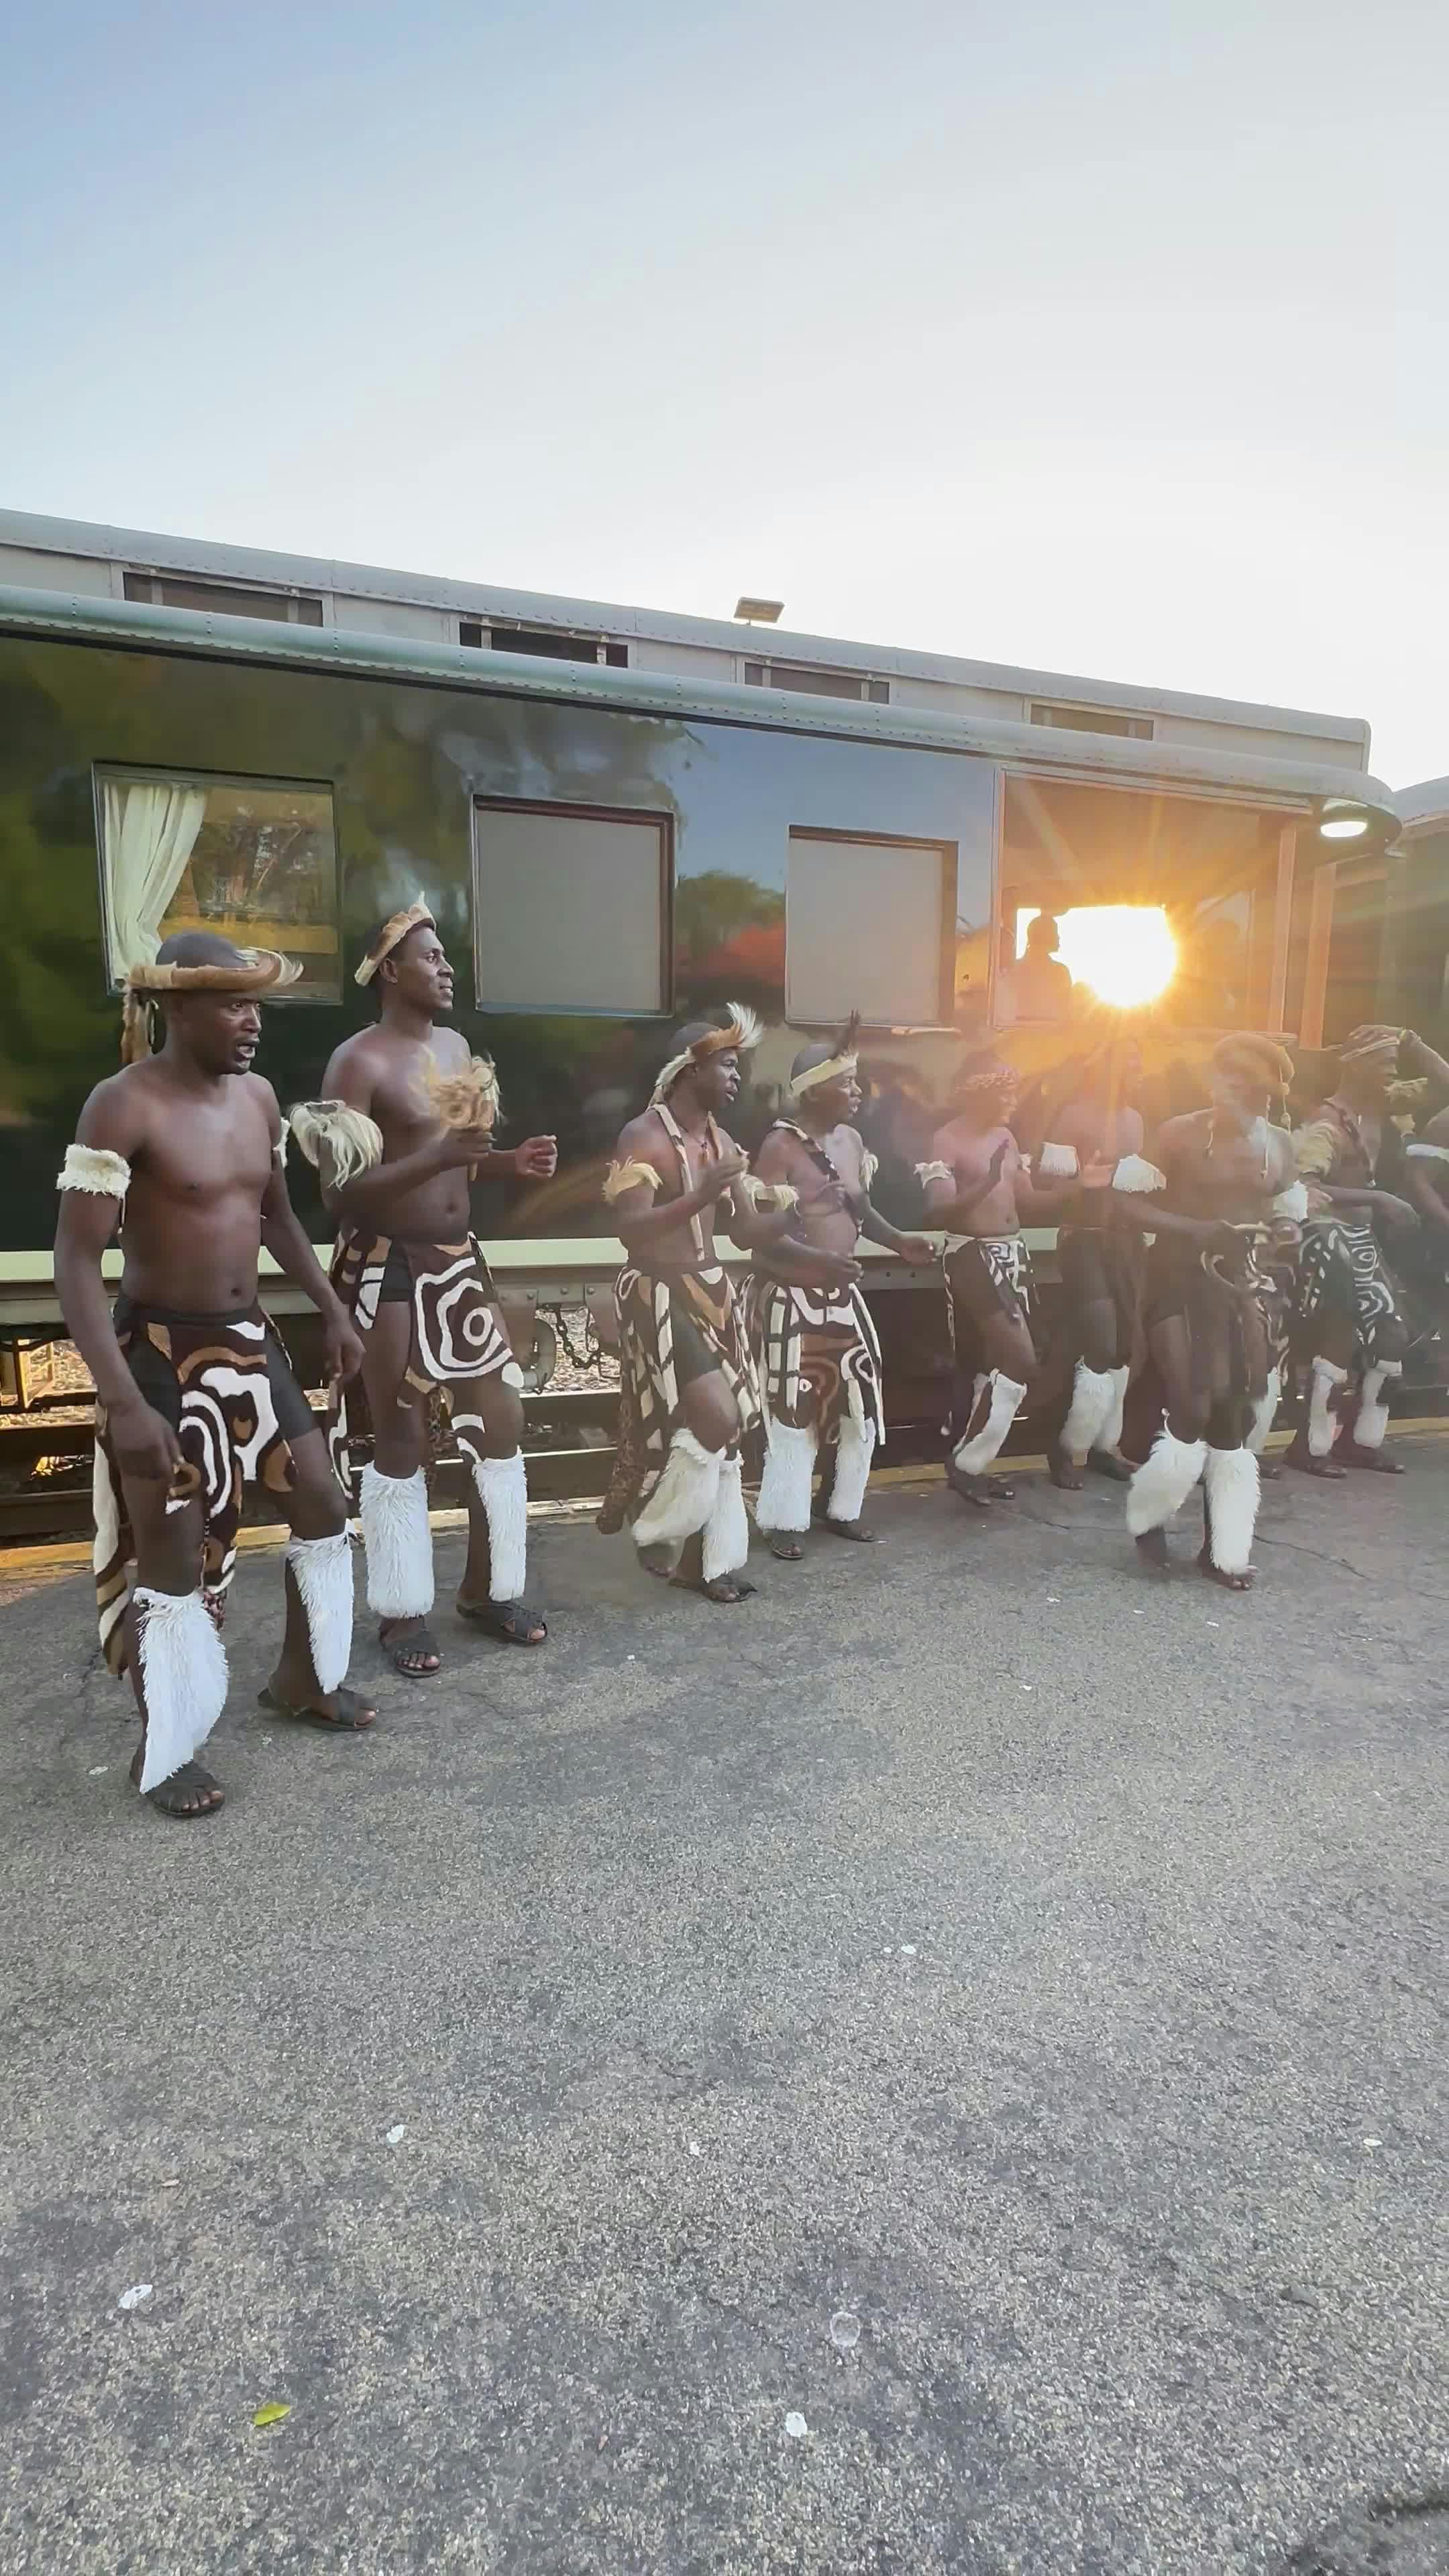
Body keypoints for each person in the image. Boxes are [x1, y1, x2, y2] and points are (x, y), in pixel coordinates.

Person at [53, 933, 375, 1821]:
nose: (252, 1021)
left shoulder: (259, 1098)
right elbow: (75, 1261)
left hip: (249, 1342)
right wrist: (121, 1398)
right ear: (176, 1008)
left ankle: (303, 1680)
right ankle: (166, 1750)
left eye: (255, 1004)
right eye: (233, 1004)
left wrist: (332, 1310)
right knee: (174, 1553)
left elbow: (277, 1220)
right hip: (160, 1352)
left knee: (323, 1503)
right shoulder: (123, 1105)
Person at [291, 900, 558, 1678]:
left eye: (445, 957)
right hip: (387, 1262)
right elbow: (338, 1193)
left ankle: (489, 1591)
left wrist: (504, 1164)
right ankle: (402, 1612)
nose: (447, 969)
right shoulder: (357, 1063)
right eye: (431, 956)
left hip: (457, 1260)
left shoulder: (455, 1047)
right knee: (401, 1432)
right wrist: (441, 1158)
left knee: (501, 1416)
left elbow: (456, 1159)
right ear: (389, 970)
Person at [597, 1004, 802, 1602]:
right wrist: (700, 1193)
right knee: (717, 1417)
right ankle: (657, 1525)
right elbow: (630, 1231)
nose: (739, 1077)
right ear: (691, 1070)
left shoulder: (722, 1141)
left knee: (721, 1433)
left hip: (714, 1289)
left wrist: (793, 1215)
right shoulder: (643, 1136)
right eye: (728, 1066)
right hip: (657, 1291)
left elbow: (743, 1231)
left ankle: (700, 1565)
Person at [1116, 1034, 1303, 1589]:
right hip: (1177, 1279)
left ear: (1266, 1092)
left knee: (1236, 1413)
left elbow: (1286, 1209)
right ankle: (1149, 1518)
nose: (1232, 1090)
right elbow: (1124, 1205)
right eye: (1227, 1078)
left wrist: (1286, 1229)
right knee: (1194, 1401)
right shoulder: (1178, 1133)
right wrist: (1196, 1229)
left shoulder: (1279, 1144)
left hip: (1241, 1287)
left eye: (1247, 1083)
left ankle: (1222, 1551)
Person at [748, 1017, 937, 1559]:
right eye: (847, 1083)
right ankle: (783, 1519)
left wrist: (899, 1241)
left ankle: (840, 1507)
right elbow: (759, 1237)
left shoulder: (851, 1141)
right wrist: (816, 1262)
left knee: (859, 1406)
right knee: (794, 1407)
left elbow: (861, 1211)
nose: (858, 1092)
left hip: (840, 1295)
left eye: (856, 1081)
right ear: (813, 1091)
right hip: (791, 1297)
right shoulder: (780, 1148)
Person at [917, 1049, 1109, 1505]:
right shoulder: (947, 1140)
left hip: (1013, 1253)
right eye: (1004, 1091)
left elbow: (1029, 1200)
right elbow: (937, 1210)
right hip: (971, 1254)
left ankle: (973, 1464)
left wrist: (1079, 1186)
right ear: (977, 1092)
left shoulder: (1006, 1136)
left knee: (992, 1366)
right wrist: (983, 1183)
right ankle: (966, 1463)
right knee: (1020, 1361)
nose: (1013, 1099)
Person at [1287, 1026, 1449, 1474]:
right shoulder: (1326, 1124)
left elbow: (1446, 1085)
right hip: (1326, 1235)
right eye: (1383, 1063)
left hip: (1361, 1240)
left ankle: (1359, 1442)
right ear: (1355, 1066)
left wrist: (1415, 1044)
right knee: (1338, 1337)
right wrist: (1378, 1199)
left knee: (1391, 1337)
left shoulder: (1383, 1103)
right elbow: (1304, 1186)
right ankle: (1310, 1447)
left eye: (1394, 1065)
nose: (1392, 1072)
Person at [1036, 1036, 1160, 1488]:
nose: (1138, 1072)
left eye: (1139, 1064)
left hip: (1127, 1242)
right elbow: (1048, 1187)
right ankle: (1068, 1448)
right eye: (1129, 1063)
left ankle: (1105, 1447)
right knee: (1100, 1344)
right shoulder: (1075, 1114)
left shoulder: (1136, 1119)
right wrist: (1089, 1181)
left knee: (1126, 1347)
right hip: (1084, 1239)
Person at [1012, 914, 1074, 1024]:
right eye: (1055, 932)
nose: (1059, 937)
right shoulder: (1060, 972)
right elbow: (1067, 1013)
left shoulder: (1013, 969)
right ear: (1044, 936)